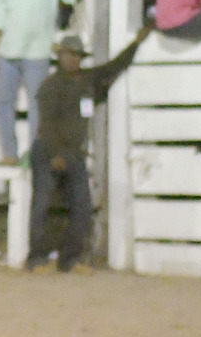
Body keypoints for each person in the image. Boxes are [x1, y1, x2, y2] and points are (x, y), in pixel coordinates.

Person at [26, 27, 152, 273]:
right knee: (41, 204)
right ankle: (37, 258)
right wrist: (56, 154)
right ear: (61, 56)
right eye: (69, 54)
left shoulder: (86, 80)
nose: (72, 59)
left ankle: (68, 260)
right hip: (50, 151)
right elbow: (46, 126)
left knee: (82, 207)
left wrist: (135, 44)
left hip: (72, 153)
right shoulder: (51, 86)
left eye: (76, 55)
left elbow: (114, 66)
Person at [0, 0, 80, 165]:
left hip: (37, 53)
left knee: (37, 107)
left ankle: (36, 155)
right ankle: (9, 153)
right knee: (3, 103)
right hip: (8, 53)